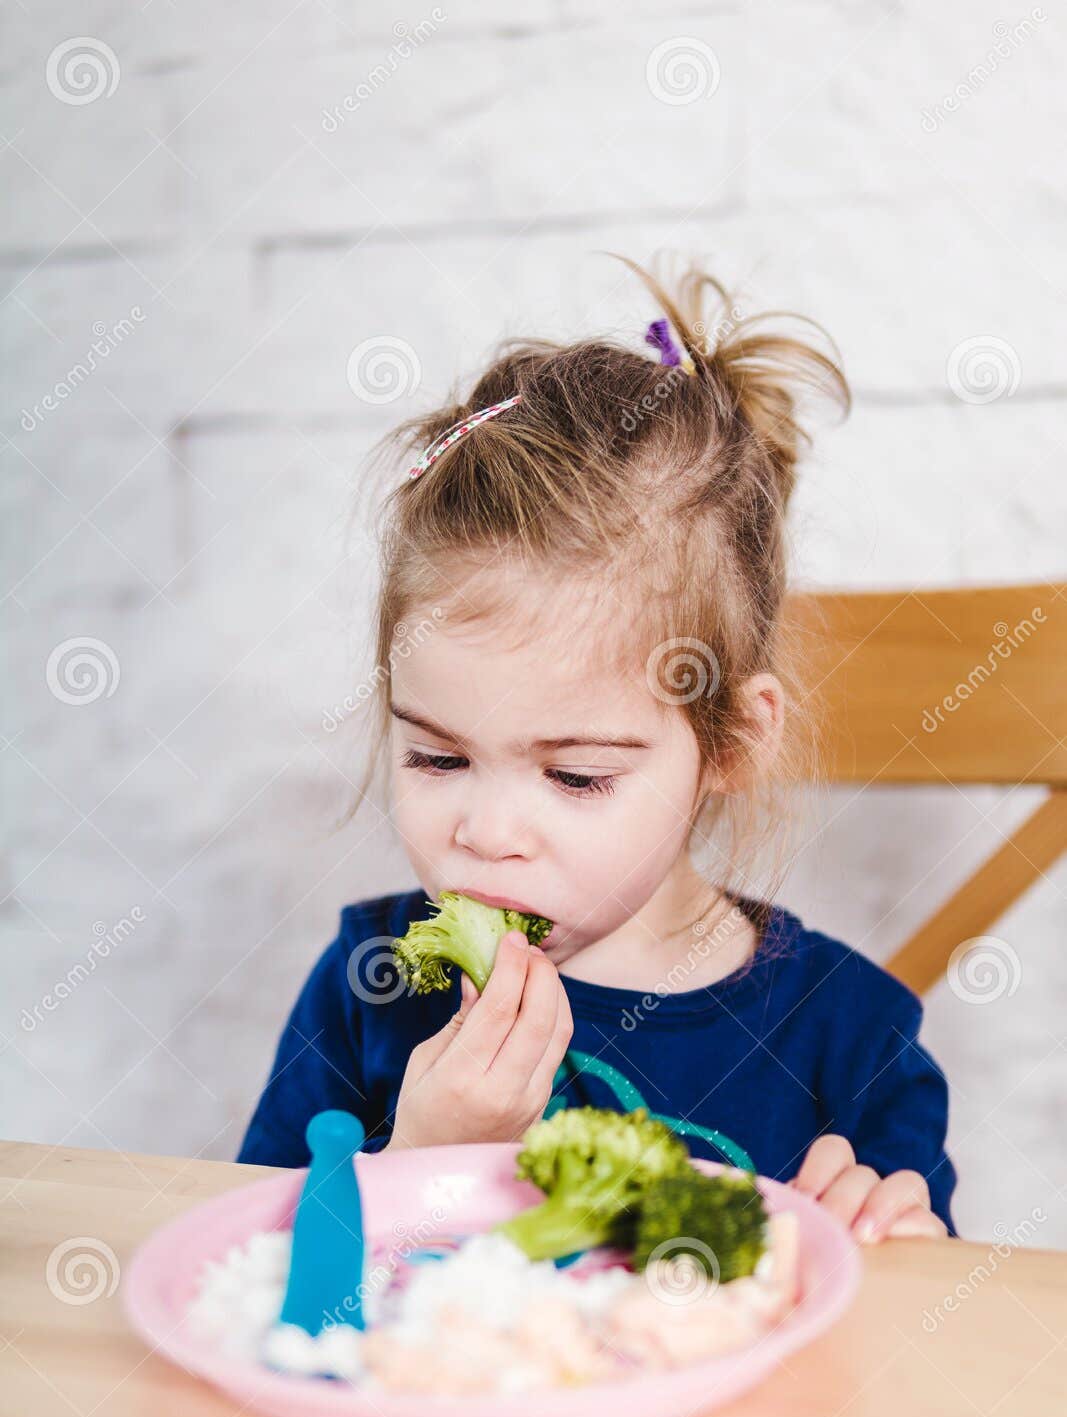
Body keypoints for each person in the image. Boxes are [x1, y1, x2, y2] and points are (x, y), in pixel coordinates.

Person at [238, 255, 955, 1243]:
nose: (485, 835)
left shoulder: (848, 1038)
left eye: (576, 776)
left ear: (729, 743)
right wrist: (417, 1161)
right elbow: (253, 1285)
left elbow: (923, 1363)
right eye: (438, 759)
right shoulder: (369, 988)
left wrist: (890, 1262)